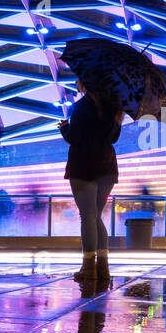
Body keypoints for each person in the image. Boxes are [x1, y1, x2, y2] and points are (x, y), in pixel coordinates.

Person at [60, 88, 123, 281]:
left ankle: (88, 268)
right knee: (95, 216)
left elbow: (76, 138)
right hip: (107, 166)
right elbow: (113, 138)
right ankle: (103, 268)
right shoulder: (115, 108)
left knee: (87, 216)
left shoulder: (81, 106)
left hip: (84, 166)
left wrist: (64, 128)